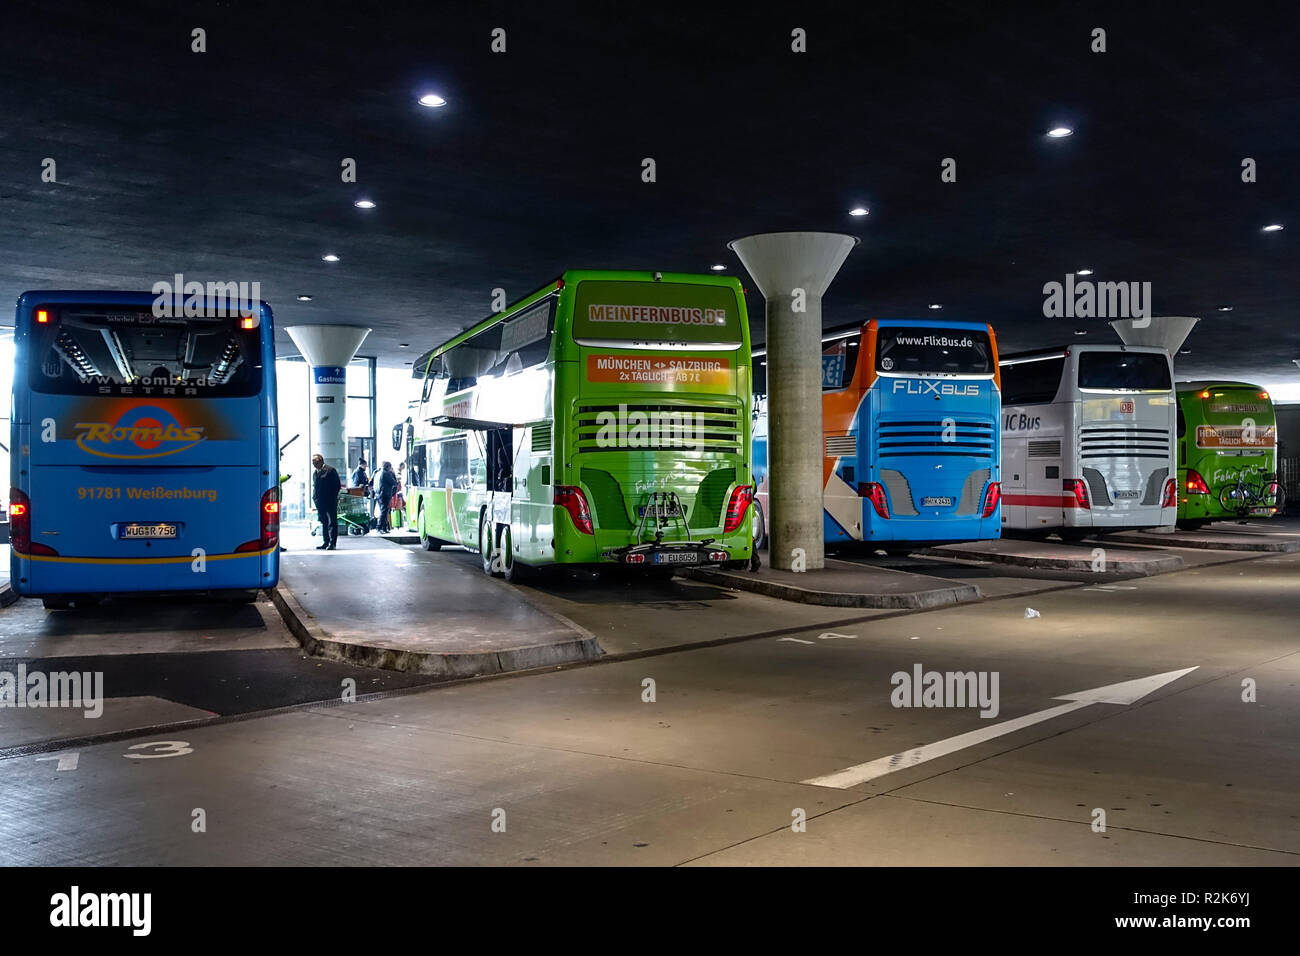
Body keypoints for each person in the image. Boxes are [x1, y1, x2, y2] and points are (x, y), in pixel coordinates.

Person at [312, 453, 341, 550]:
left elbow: (337, 485)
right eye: (312, 462)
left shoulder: (330, 470)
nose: (313, 464)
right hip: (320, 502)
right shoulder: (315, 473)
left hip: (330, 501)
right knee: (324, 521)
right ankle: (326, 541)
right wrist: (315, 498)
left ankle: (333, 543)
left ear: (321, 461)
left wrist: (332, 497)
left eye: (315, 461)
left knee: (332, 522)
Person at [376, 461, 398, 533]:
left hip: (379, 494)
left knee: (385, 511)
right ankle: (379, 527)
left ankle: (384, 528)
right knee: (384, 511)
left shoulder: (379, 472)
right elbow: (394, 482)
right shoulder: (386, 473)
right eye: (390, 467)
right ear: (388, 467)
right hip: (385, 494)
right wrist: (393, 475)